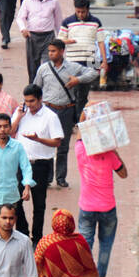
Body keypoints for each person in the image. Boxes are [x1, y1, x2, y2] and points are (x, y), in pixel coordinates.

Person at [34, 39, 90, 189]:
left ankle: (61, 177)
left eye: (53, 51)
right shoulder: (43, 69)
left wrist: (78, 79)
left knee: (63, 145)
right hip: (48, 110)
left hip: (66, 110)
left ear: (61, 51)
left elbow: (92, 73)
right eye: (49, 51)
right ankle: (47, 178)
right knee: (47, 143)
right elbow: (36, 88)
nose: (50, 54)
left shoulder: (72, 67)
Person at [11, 85, 63, 242]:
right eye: (26, 101)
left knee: (39, 204)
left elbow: (57, 142)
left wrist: (38, 139)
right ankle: (23, 232)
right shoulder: (22, 112)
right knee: (16, 200)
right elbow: (10, 131)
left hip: (40, 164)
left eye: (32, 101)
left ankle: (37, 237)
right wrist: (19, 116)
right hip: (21, 163)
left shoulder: (50, 117)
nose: (29, 105)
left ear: (40, 99)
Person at [74, 135, 126, 277]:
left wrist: (86, 112)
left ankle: (85, 276)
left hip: (86, 208)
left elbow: (80, 130)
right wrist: (115, 152)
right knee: (106, 244)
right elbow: (124, 174)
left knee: (85, 243)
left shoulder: (81, 151)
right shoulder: (110, 155)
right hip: (107, 208)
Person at [60, 0, 108, 107]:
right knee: (73, 91)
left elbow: (101, 42)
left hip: (90, 60)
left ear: (88, 10)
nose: (80, 14)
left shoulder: (96, 22)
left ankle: (80, 118)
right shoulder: (67, 22)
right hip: (72, 60)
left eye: (83, 12)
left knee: (84, 92)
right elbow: (59, 40)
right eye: (78, 12)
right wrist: (68, 41)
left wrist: (104, 61)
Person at [16, 0, 63, 81]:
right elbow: (20, 17)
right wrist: (23, 29)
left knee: (49, 64)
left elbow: (58, 21)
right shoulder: (28, 0)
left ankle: (47, 87)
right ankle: (33, 88)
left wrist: (60, 39)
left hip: (48, 37)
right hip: (32, 36)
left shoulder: (54, 1)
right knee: (32, 65)